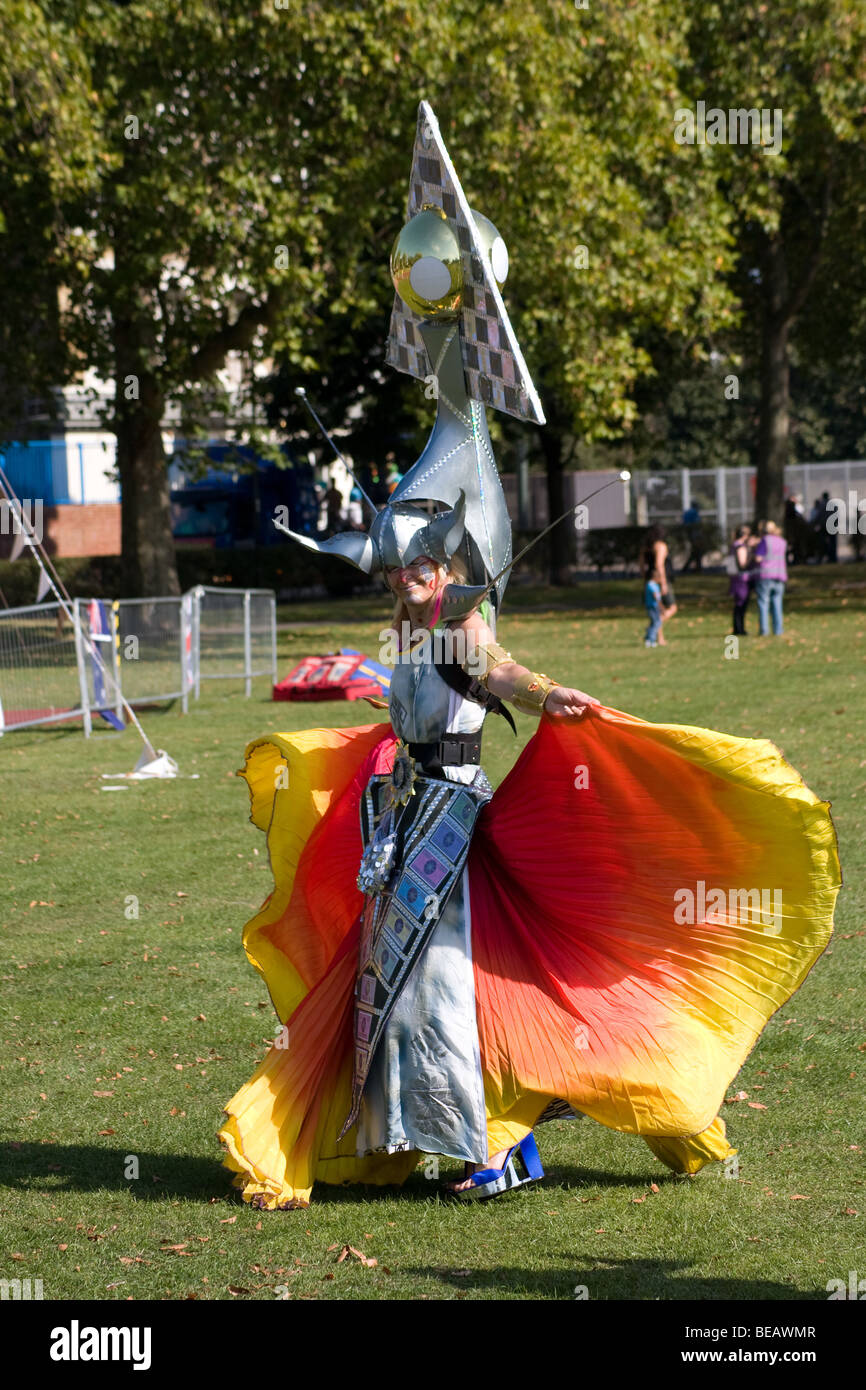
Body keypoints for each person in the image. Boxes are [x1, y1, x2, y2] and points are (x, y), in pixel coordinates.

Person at [642, 525, 677, 643]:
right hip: (659, 579)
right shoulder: (660, 546)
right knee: (672, 608)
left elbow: (641, 564)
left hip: (649, 579)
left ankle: (660, 638)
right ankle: (653, 627)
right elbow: (659, 564)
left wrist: (645, 578)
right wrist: (663, 583)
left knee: (658, 609)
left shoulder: (646, 548)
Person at [753, 519, 788, 636]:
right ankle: (778, 630)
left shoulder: (765, 541)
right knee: (777, 603)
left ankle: (764, 630)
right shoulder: (782, 541)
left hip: (766, 575)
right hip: (780, 575)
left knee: (763, 603)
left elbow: (758, 558)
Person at [728, 523, 755, 635]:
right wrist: (751, 557)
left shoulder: (733, 546)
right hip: (742, 580)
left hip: (735, 578)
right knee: (741, 605)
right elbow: (743, 564)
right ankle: (739, 629)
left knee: (739, 605)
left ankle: (738, 628)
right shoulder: (740, 547)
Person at [644, 573, 662, 647]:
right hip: (652, 607)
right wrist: (662, 606)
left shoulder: (655, 585)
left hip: (655, 606)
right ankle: (652, 639)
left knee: (653, 622)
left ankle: (648, 637)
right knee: (657, 622)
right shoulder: (651, 585)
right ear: (656, 577)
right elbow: (656, 596)